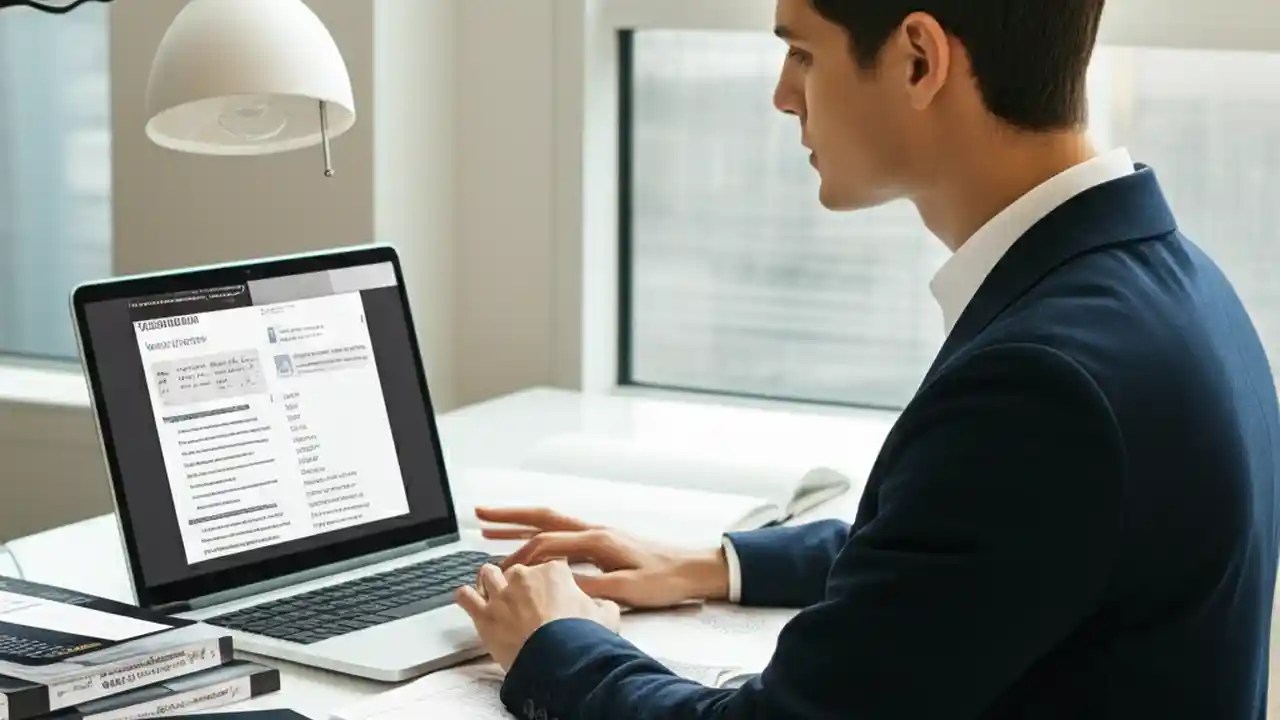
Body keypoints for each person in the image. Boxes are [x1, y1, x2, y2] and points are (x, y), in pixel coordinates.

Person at [456, 0, 1280, 717]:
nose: (783, 95)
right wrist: (716, 565)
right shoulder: (1177, 287)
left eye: (803, 53)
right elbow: (969, 551)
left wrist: (555, 644)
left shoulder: (1042, 387)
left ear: (919, 60)